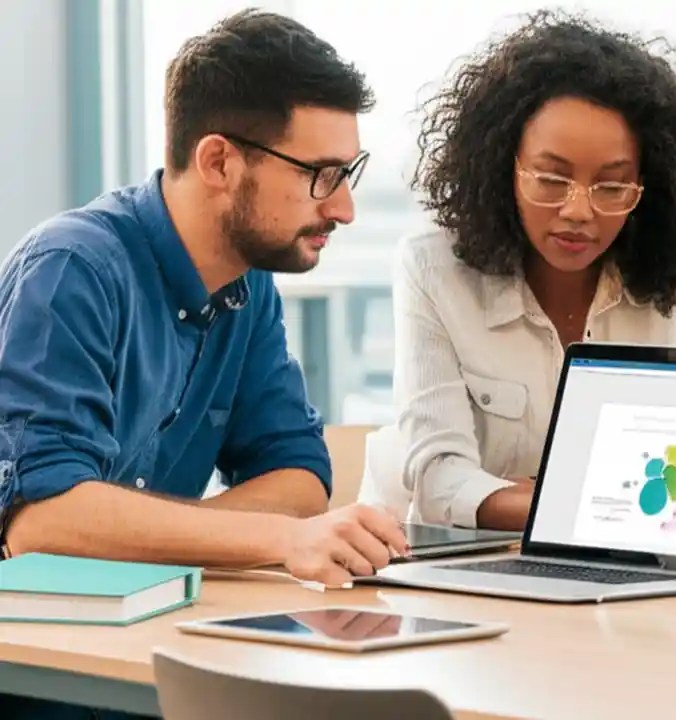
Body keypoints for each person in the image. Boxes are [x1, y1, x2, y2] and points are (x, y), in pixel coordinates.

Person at [0, 10, 408, 596]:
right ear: (219, 162)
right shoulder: (72, 270)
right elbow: (46, 523)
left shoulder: (248, 286)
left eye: (349, 174)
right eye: (321, 174)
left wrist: (147, 536)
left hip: (153, 618)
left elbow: (298, 477)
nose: (344, 208)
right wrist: (280, 540)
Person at [370, 11, 676, 531]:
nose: (578, 211)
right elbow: (438, 485)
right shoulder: (433, 270)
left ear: (647, 190)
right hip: (453, 567)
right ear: (505, 167)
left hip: (626, 560)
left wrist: (531, 497)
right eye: (551, 179)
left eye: (612, 187)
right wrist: (596, 501)